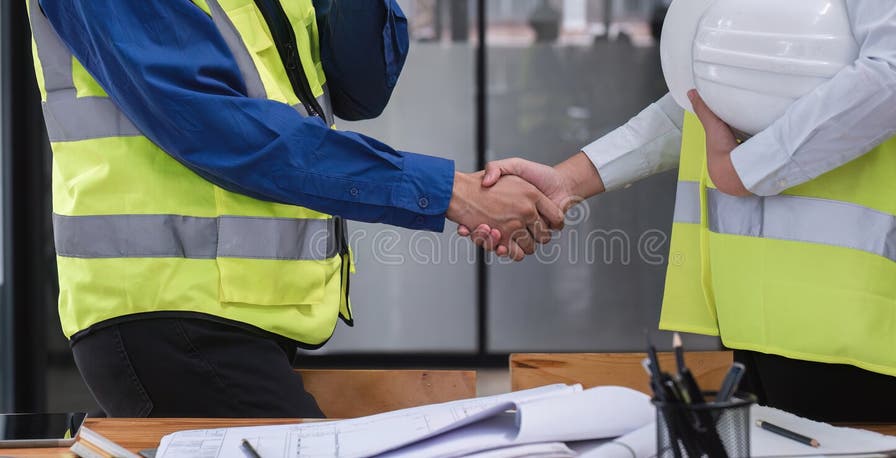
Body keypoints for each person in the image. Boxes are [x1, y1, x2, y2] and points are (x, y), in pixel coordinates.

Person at [466, 0, 896, 425]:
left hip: (855, 318)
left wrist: (749, 168)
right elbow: (716, 97)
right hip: (764, 312)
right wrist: (567, 181)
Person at [28, 0, 561, 418]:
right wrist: (450, 192)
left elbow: (362, 86)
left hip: (251, 316)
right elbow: (220, 130)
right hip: (166, 312)